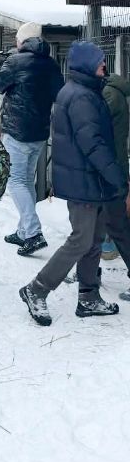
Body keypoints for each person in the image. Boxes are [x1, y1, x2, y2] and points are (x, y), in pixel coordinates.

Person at [19, 42, 125, 327]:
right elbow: (93, 143)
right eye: (100, 61)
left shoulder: (85, 91)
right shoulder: (80, 97)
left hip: (91, 180)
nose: (104, 65)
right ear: (87, 64)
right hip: (84, 180)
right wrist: (116, 176)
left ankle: (89, 296)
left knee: (94, 239)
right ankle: (37, 289)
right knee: (81, 240)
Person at [0, 21, 64, 256]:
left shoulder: (16, 61)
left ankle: (33, 233)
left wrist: (4, 65)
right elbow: (59, 93)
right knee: (26, 181)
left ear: (23, 40)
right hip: (39, 133)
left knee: (16, 181)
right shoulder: (51, 64)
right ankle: (23, 231)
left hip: (17, 132)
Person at [100, 73, 130, 298]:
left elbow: (96, 130)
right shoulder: (114, 92)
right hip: (112, 166)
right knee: (91, 222)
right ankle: (86, 271)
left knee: (117, 223)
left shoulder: (109, 95)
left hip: (110, 168)